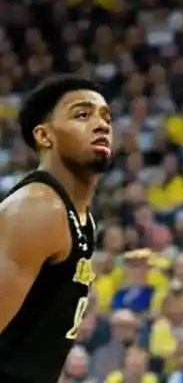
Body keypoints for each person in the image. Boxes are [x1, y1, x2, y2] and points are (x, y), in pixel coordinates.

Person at [0, 75, 114, 382]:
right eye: (82, 115)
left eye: (106, 117)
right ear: (44, 136)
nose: (101, 125)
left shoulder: (79, 215)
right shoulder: (38, 208)